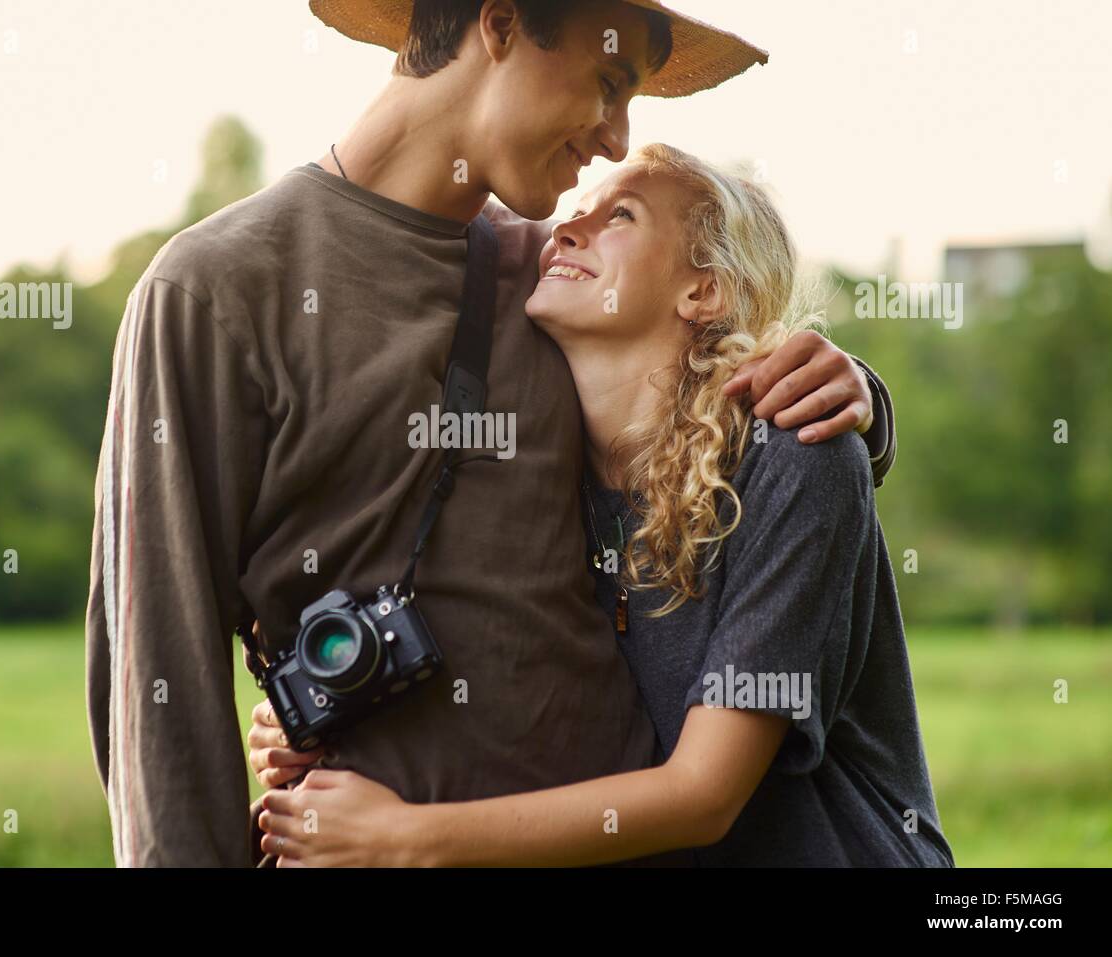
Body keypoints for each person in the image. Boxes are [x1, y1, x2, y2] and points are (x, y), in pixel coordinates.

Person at [85, 0, 897, 867]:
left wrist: (860, 404)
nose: (619, 140)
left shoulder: (557, 282)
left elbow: (711, 388)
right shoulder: (213, 293)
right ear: (501, 23)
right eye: (611, 82)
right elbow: (156, 679)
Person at [253, 144, 953, 867]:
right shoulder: (538, 472)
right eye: (573, 211)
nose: (567, 229)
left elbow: (703, 794)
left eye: (619, 214)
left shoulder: (795, 455)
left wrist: (401, 839)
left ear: (703, 290)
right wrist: (329, 708)